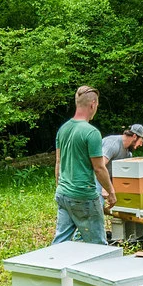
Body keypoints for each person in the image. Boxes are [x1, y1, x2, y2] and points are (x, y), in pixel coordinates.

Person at [54, 86, 115, 243]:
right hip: (84, 197)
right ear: (93, 104)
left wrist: (60, 187)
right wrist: (111, 192)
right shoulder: (91, 132)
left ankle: (52, 264)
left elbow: (58, 163)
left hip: (63, 194)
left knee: (61, 242)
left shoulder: (63, 129)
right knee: (98, 245)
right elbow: (99, 168)